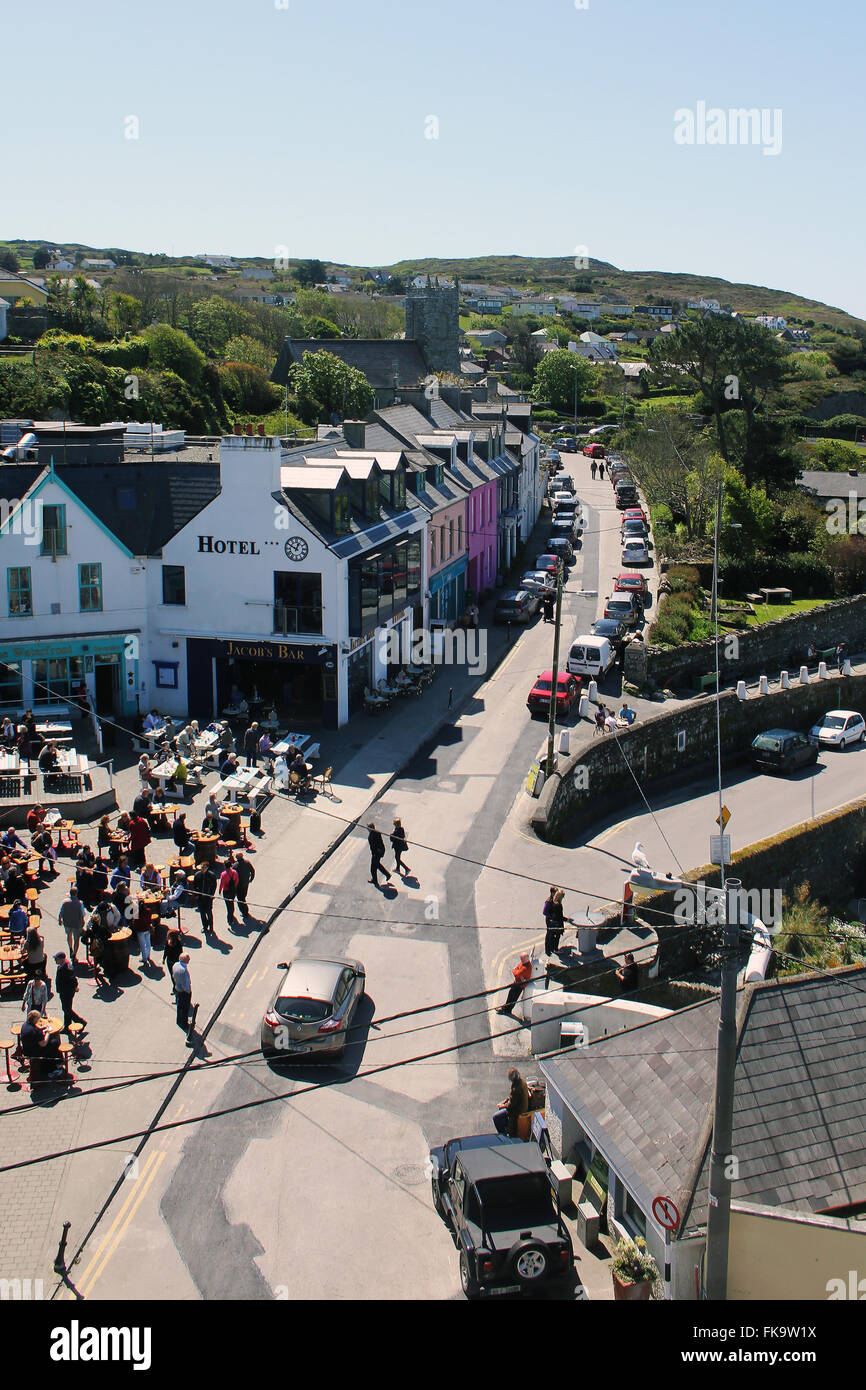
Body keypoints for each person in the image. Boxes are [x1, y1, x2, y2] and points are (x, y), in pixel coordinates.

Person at [20, 1009, 64, 1081]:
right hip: (34, 1052)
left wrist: (43, 1028)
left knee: (52, 1042)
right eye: (38, 1019)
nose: (39, 1020)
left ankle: (57, 1062)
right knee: (55, 1043)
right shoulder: (34, 1031)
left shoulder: (25, 1025)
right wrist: (48, 1032)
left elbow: (36, 1030)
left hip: (26, 1049)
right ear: (35, 1019)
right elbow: (43, 1044)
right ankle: (52, 1068)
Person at [54, 952, 87, 1034]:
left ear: (61, 959)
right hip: (64, 991)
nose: (55, 960)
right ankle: (67, 1027)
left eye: (56, 959)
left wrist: (74, 987)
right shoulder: (64, 965)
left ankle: (81, 1022)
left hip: (66, 992)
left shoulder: (66, 968)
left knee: (66, 1009)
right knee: (66, 1009)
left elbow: (73, 979)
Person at [493, 1068, 531, 1138]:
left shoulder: (516, 1088)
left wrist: (503, 1106)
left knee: (496, 1117)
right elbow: (511, 1097)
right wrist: (505, 1101)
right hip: (523, 1107)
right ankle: (506, 1128)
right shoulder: (522, 1082)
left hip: (518, 1111)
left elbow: (511, 1105)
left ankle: (503, 1135)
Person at [496, 951, 533, 1016]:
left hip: (519, 986)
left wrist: (516, 971)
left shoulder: (525, 968)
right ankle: (506, 1008)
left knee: (513, 998)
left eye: (522, 959)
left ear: (525, 959)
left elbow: (516, 973)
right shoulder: (524, 963)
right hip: (517, 983)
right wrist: (517, 971)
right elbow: (517, 969)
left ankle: (507, 1010)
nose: (521, 960)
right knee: (511, 996)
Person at [59, 886, 86, 961]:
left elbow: (61, 912)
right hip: (77, 923)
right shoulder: (80, 903)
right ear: (76, 893)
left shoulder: (65, 902)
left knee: (69, 935)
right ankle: (74, 953)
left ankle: (70, 948)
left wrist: (60, 920)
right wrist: (83, 922)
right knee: (76, 939)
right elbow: (83, 914)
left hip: (67, 922)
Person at [192, 863, 217, 934]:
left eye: (204, 867)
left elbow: (214, 886)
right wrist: (196, 895)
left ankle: (211, 927)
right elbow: (195, 886)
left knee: (209, 912)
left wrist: (211, 895)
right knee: (202, 913)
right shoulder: (197, 875)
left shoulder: (211, 875)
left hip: (208, 898)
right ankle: (205, 927)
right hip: (200, 897)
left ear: (207, 868)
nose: (202, 869)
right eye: (202, 867)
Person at [172, 953, 193, 1033]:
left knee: (179, 1006)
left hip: (178, 988)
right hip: (184, 992)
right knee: (185, 1008)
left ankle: (179, 1020)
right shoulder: (183, 971)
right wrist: (188, 991)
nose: (189, 960)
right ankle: (184, 1024)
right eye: (188, 959)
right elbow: (185, 984)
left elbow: (173, 975)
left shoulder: (175, 965)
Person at [543, 887, 565, 956]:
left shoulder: (555, 900)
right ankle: (548, 950)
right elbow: (544, 912)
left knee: (553, 935)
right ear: (552, 893)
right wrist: (552, 917)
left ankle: (552, 948)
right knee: (549, 935)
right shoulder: (549, 901)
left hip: (553, 920)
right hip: (550, 921)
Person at [134, 896, 153, 967]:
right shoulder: (148, 910)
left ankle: (144, 958)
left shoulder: (137, 913)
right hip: (147, 928)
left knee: (142, 945)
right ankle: (148, 956)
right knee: (148, 942)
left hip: (140, 930)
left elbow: (135, 923)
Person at [219, 859, 239, 925]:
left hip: (226, 891)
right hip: (232, 891)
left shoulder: (223, 874)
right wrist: (234, 887)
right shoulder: (234, 872)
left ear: (224, 866)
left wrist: (220, 890)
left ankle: (229, 919)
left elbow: (221, 883)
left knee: (228, 905)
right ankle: (231, 915)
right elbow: (237, 881)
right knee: (232, 903)